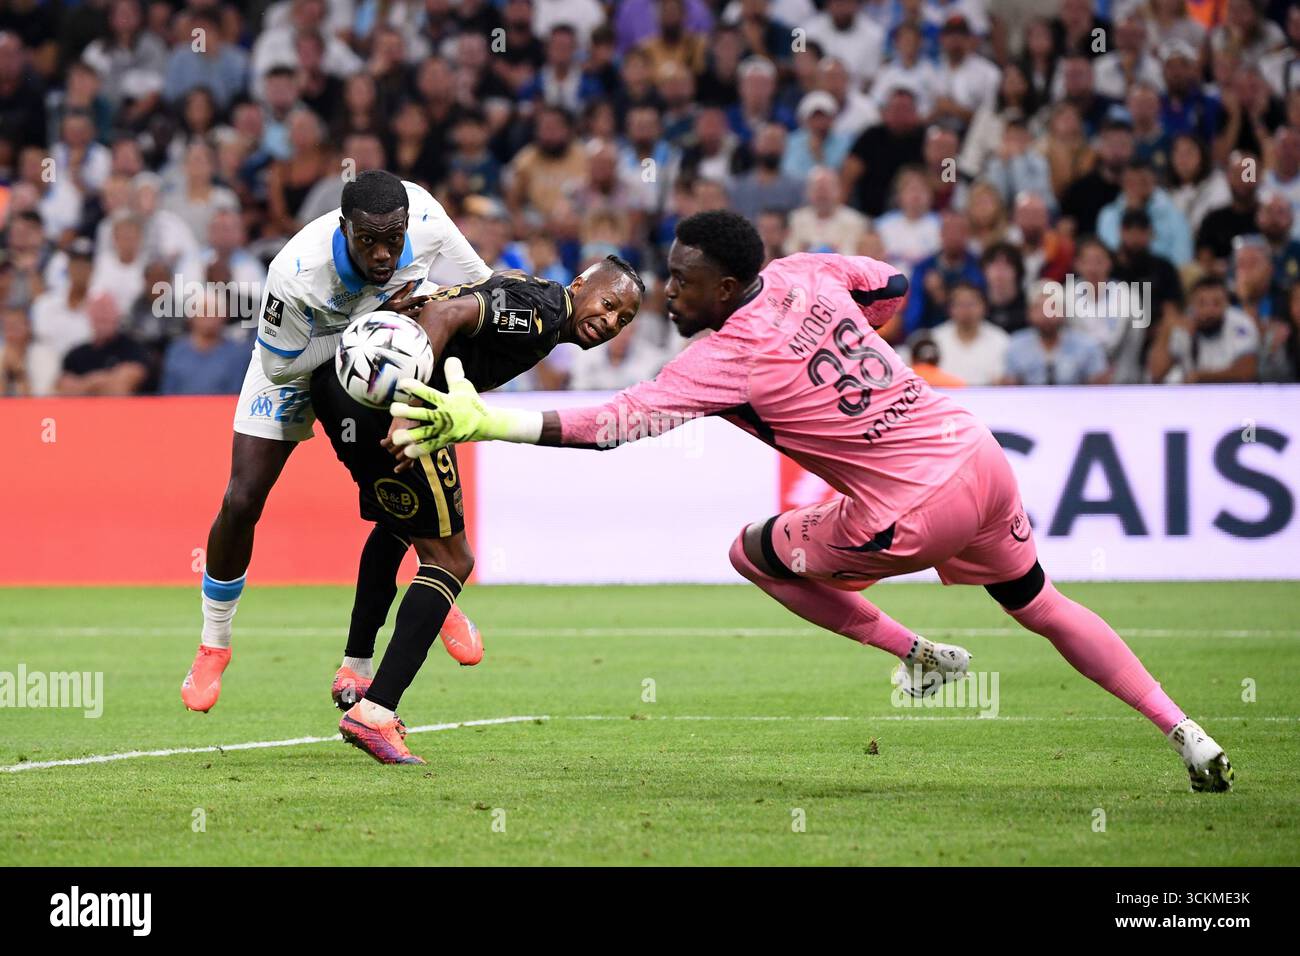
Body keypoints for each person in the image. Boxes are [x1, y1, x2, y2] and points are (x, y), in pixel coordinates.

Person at [390, 211, 1234, 792]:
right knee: (1040, 602)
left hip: (907, 510)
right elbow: (895, 282)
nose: (670, 296)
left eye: (684, 284)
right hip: (976, 455)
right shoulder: (808, 272)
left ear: (725, 288)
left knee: (751, 552)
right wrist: (865, 363)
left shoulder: (725, 358)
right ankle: (1185, 731)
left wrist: (484, 418)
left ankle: (916, 653)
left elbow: (614, 423)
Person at [180, 170, 493, 716]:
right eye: (368, 240)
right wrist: (368, 324)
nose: (382, 254)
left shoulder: (427, 220)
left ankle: (434, 591)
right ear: (344, 227)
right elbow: (281, 366)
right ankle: (214, 643)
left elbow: (482, 290)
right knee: (242, 499)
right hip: (298, 364)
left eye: (392, 240)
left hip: (377, 369)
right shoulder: (296, 270)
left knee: (398, 485)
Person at [317, 258, 644, 764]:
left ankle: (356, 670)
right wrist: (406, 411)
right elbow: (447, 317)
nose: (610, 322)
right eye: (608, 303)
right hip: (393, 396)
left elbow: (450, 306)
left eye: (623, 320)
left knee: (398, 525)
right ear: (580, 285)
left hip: (343, 385)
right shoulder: (542, 310)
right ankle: (376, 711)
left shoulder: (535, 302)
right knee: (451, 561)